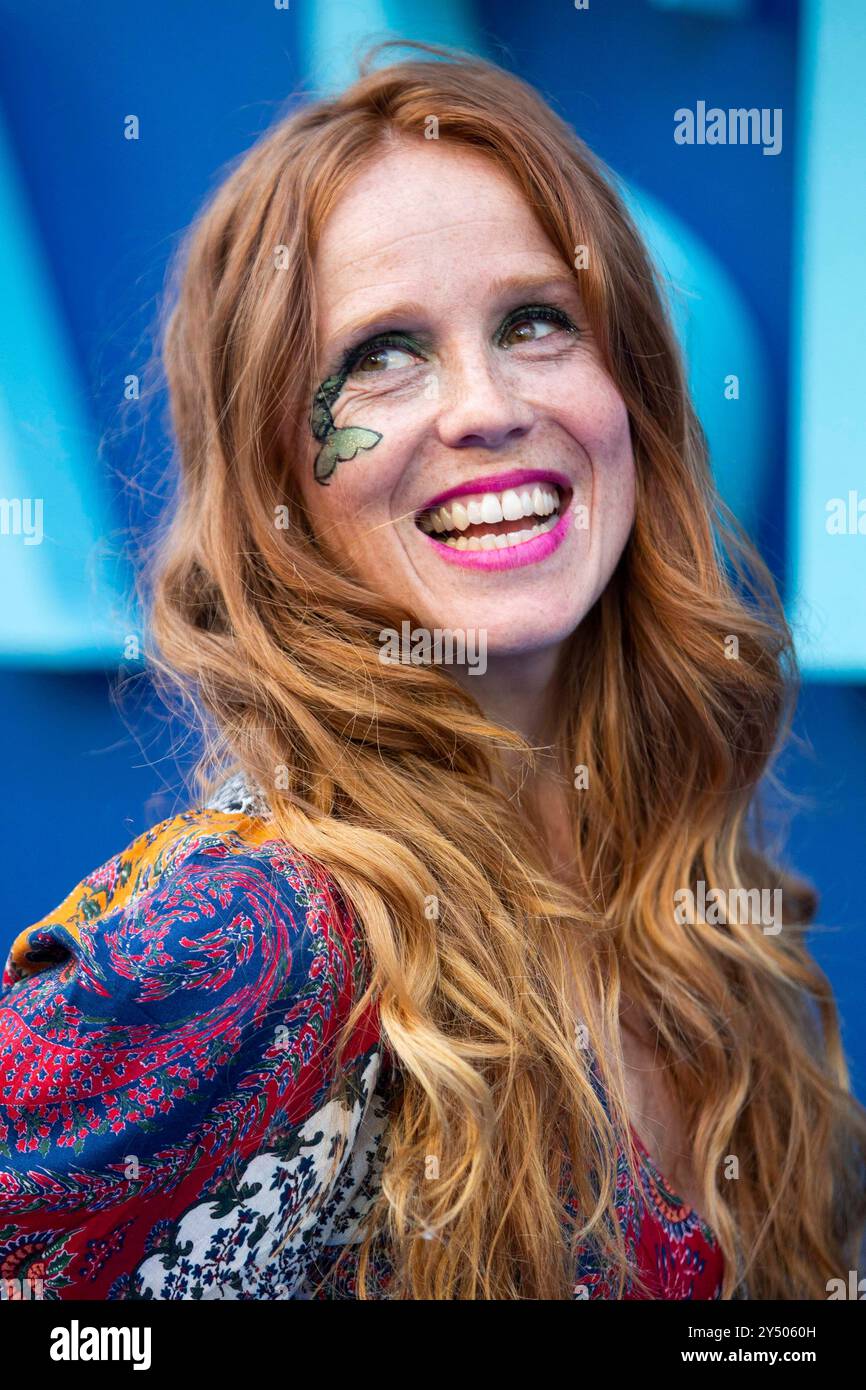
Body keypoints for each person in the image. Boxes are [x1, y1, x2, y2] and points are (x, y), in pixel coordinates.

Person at [2, 41, 864, 1302]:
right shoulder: (250, 936)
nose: (485, 404)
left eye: (536, 321)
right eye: (381, 354)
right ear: (272, 484)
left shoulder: (710, 921)